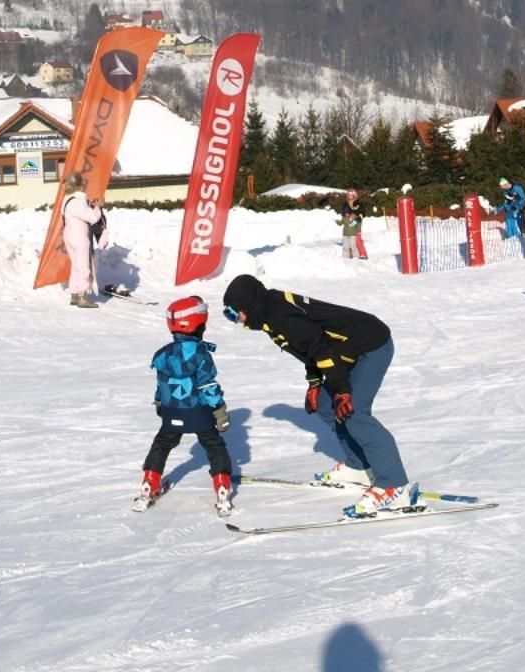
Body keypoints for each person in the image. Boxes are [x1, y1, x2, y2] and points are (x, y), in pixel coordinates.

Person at [221, 274, 411, 516]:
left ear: (249, 305)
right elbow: (310, 350)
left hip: (370, 346)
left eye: (233, 314)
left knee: (354, 411)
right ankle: (359, 466)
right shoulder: (269, 315)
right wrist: (314, 383)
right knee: (325, 404)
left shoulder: (278, 315)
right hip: (343, 352)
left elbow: (320, 347)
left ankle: (393, 484)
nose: (236, 321)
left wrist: (342, 390)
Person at [131, 296, 235, 516]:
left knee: (162, 443)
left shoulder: (163, 354)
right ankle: (222, 485)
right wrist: (219, 410)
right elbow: (208, 385)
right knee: (214, 445)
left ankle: (150, 482)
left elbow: (161, 383)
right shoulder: (200, 355)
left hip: (172, 412)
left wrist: (160, 402)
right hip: (199, 413)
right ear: (200, 325)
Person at [62, 171, 107, 307]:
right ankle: (82, 296)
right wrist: (98, 206)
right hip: (79, 234)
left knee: (75, 265)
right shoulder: (77, 202)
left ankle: (74, 294)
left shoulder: (67, 199)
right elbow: (92, 218)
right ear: (81, 185)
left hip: (69, 233)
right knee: (83, 265)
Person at [339, 188, 367, 260]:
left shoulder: (358, 203)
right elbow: (343, 212)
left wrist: (357, 220)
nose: (349, 196)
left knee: (357, 239)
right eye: (348, 195)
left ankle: (363, 254)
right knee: (350, 241)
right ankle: (351, 254)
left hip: (357, 222)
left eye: (351, 195)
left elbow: (362, 213)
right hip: (349, 223)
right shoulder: (345, 204)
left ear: (355, 195)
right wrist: (345, 215)